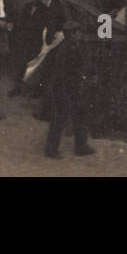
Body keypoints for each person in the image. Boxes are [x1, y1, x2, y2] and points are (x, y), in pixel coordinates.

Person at [43, 22, 94, 158]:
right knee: (59, 119)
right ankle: (51, 150)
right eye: (78, 32)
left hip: (73, 88)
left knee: (80, 115)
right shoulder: (65, 50)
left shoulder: (73, 46)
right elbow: (63, 74)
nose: (80, 35)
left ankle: (81, 146)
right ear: (71, 34)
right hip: (64, 89)